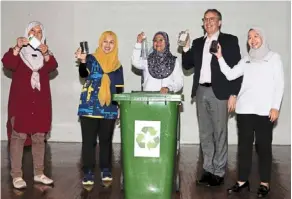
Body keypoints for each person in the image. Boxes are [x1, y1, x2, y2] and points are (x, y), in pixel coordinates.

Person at [213, 27, 284, 198]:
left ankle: (265, 183)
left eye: (256, 36)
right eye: (250, 37)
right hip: (244, 110)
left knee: (263, 148)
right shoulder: (246, 60)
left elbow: (279, 84)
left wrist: (275, 106)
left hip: (265, 112)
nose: (252, 40)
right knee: (244, 148)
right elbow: (230, 75)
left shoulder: (274, 58)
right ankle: (242, 181)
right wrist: (220, 57)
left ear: (263, 38)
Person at [181, 9, 242, 186]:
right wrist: (185, 47)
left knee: (220, 132)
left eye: (212, 19)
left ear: (220, 22)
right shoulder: (198, 43)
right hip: (201, 91)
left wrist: (233, 94)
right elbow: (187, 65)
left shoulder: (230, 41)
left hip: (221, 92)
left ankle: (219, 171)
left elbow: (237, 70)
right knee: (205, 133)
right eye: (205, 19)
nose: (208, 22)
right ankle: (208, 169)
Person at [1, 21, 58, 189]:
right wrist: (17, 47)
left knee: (39, 138)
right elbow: (8, 63)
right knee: (18, 138)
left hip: (40, 104)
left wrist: (46, 52)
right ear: (27, 34)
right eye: (32, 31)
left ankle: (39, 173)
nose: (36, 33)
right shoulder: (18, 54)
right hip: (21, 104)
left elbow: (53, 66)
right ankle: (17, 175)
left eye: (39, 32)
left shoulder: (46, 54)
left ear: (43, 36)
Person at [75, 31, 124, 186]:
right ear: (100, 42)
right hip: (89, 107)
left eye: (111, 42)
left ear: (115, 45)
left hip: (108, 108)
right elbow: (83, 74)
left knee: (106, 141)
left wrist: (119, 109)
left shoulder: (117, 65)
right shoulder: (90, 58)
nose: (108, 45)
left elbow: (119, 88)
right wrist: (82, 61)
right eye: (105, 41)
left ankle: (106, 169)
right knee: (88, 142)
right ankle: (88, 171)